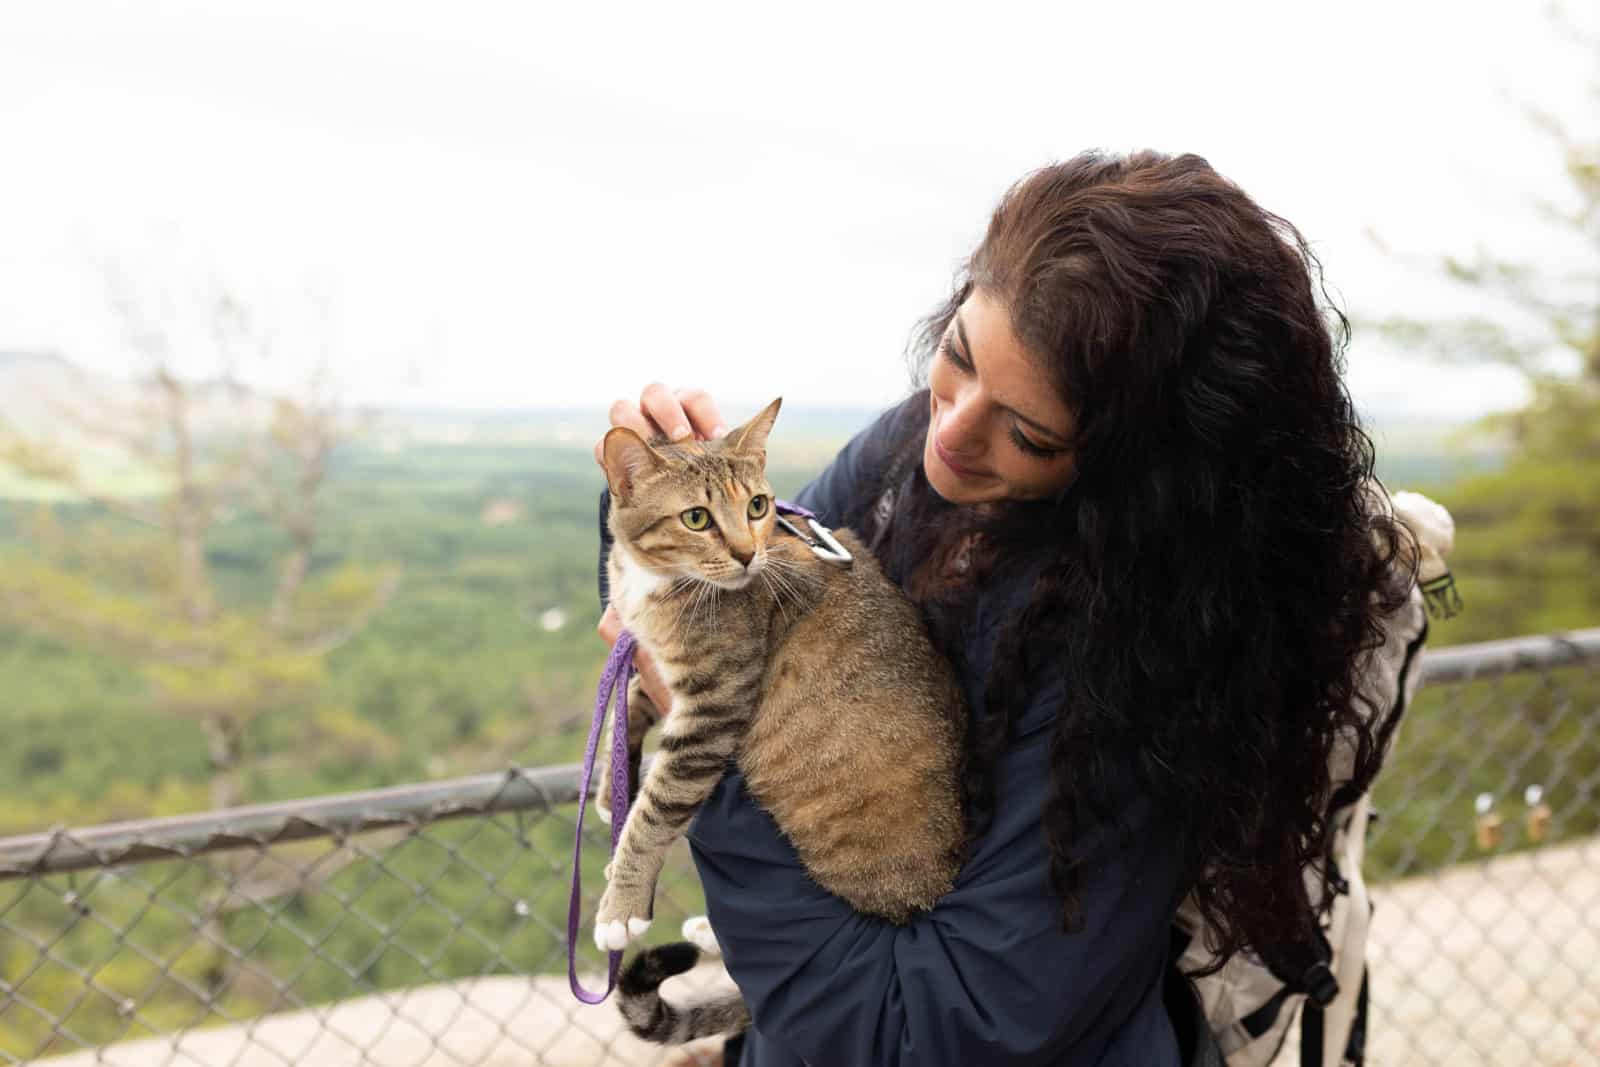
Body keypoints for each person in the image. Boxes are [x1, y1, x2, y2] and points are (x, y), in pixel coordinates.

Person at [594, 150, 1407, 1066]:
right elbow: (738, 594)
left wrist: (725, 777)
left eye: (1027, 432)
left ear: (1136, 475)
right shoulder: (911, 451)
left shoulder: (1137, 651)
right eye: (957, 358)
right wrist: (650, 496)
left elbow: (926, 1036)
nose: (952, 430)